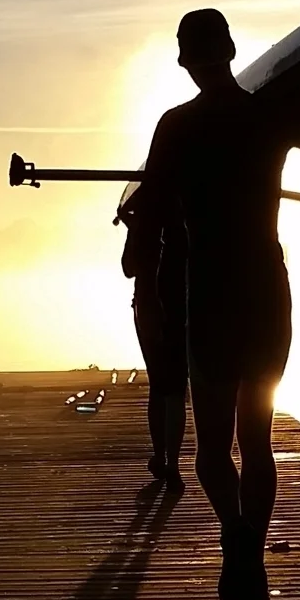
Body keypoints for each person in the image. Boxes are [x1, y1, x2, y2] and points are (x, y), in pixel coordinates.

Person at [141, 8, 300, 600]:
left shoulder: (177, 126)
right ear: (232, 50)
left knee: (211, 451)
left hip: (208, 296)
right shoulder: (268, 113)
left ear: (185, 61)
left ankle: (234, 533)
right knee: (255, 443)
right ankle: (251, 551)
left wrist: (154, 297)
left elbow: (151, 211)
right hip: (266, 292)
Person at [117, 179, 188, 486]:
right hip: (178, 308)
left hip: (150, 308)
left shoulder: (145, 216)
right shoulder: (190, 216)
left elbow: (128, 267)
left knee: (161, 386)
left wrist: (135, 229)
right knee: (174, 390)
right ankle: (169, 460)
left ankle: (164, 458)